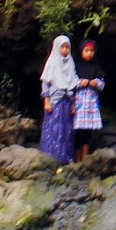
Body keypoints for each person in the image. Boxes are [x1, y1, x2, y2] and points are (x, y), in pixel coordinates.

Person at [38, 35, 78, 164]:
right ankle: (51, 157)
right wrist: (46, 100)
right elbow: (45, 82)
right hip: (55, 101)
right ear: (57, 48)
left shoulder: (71, 63)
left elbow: (73, 83)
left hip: (67, 101)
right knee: (54, 129)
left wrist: (73, 104)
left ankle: (65, 157)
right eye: (63, 47)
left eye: (67, 47)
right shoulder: (52, 62)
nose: (65, 50)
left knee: (66, 130)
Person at [72, 39, 105, 159]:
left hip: (91, 104)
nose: (89, 53)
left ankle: (85, 157)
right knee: (78, 131)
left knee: (87, 132)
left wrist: (95, 83)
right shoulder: (76, 66)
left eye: (91, 51)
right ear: (81, 51)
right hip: (79, 104)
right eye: (86, 51)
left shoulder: (96, 67)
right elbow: (71, 83)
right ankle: (77, 158)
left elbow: (102, 85)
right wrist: (82, 82)